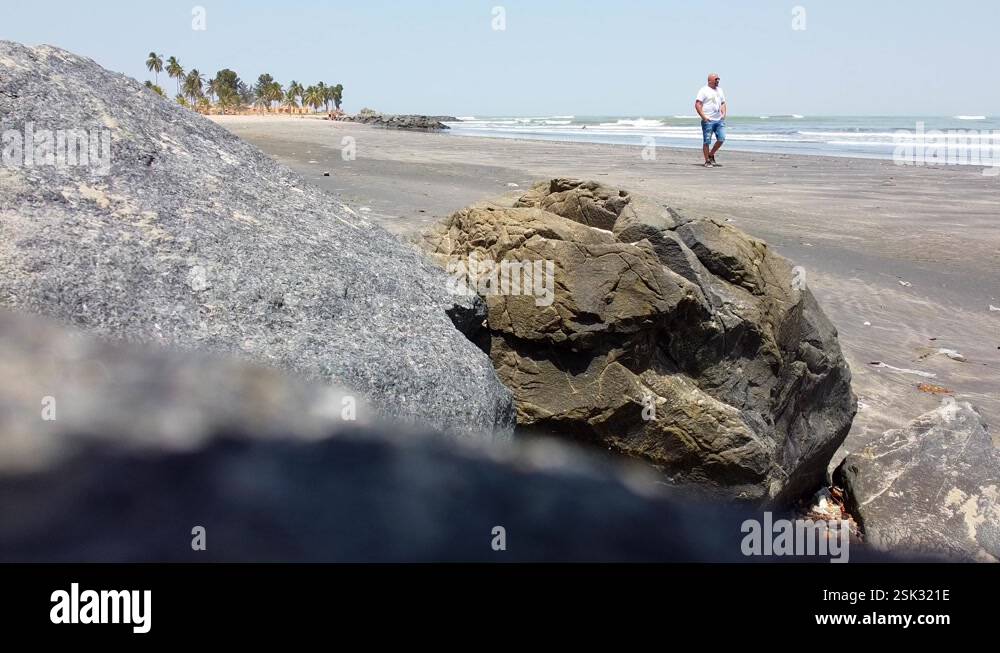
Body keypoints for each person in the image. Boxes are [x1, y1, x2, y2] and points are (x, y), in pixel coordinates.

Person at [695, 73, 726, 167]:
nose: (717, 81)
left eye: (718, 79)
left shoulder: (720, 90)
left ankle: (711, 154)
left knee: (721, 138)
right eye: (716, 79)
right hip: (708, 120)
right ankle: (707, 161)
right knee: (707, 141)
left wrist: (724, 113)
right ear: (710, 80)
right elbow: (697, 104)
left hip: (719, 120)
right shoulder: (703, 90)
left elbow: (723, 103)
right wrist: (704, 117)